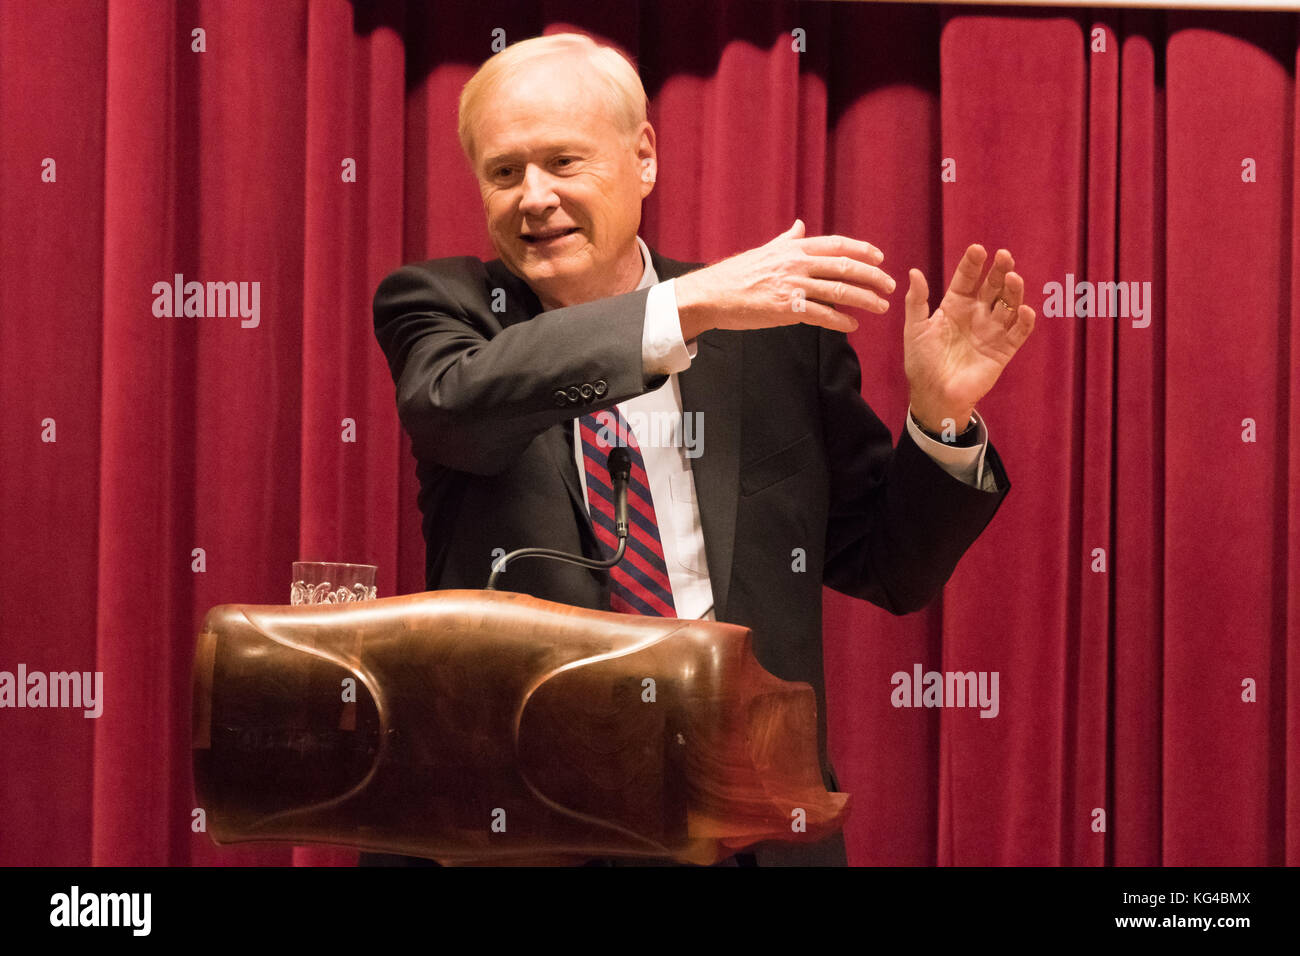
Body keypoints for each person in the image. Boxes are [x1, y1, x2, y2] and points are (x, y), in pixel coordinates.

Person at [371, 32, 1035, 866]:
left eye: (562, 162)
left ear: (642, 157)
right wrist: (678, 312)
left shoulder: (774, 339)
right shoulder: (444, 309)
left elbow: (887, 565)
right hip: (519, 823)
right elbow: (453, 408)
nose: (533, 198)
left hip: (746, 820)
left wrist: (939, 419)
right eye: (505, 172)